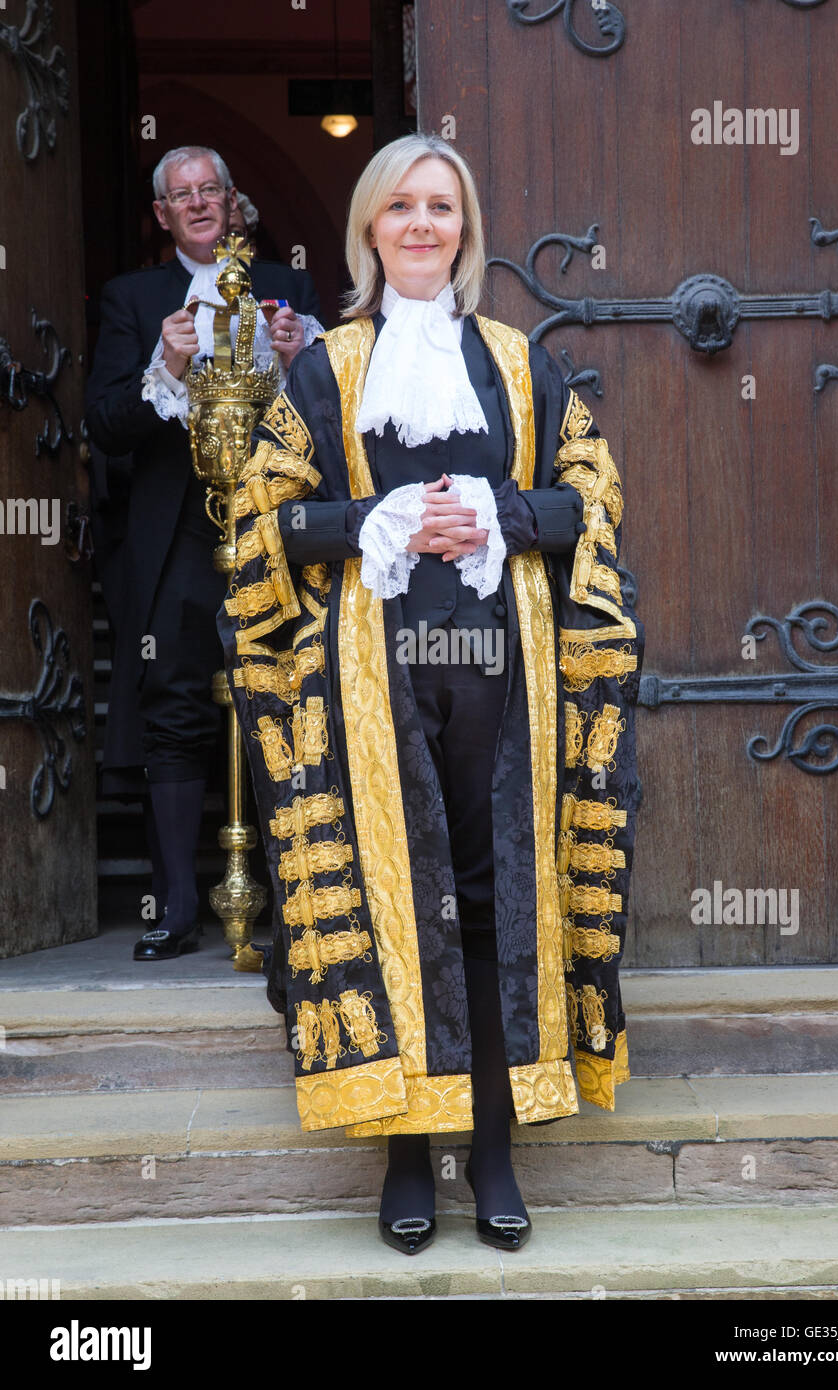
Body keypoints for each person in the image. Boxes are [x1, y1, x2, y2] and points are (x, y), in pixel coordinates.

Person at [217, 133, 644, 1253]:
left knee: (496, 894)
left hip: (507, 673)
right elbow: (265, 528)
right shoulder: (325, 370)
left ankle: (494, 1155)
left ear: (465, 230)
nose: (420, 225)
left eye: (440, 208)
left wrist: (502, 511)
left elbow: (590, 504)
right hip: (377, 683)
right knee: (399, 906)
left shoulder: (519, 362)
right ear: (369, 227)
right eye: (399, 206)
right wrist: (376, 522)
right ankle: (408, 1161)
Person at [84, 145, 323, 961]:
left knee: (288, 693)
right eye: (179, 195)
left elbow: (333, 418)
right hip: (177, 526)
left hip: (272, 519)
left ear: (230, 199)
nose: (196, 203)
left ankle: (299, 905)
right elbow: (106, 423)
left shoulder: (286, 291)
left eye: (208, 189)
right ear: (162, 215)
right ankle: (177, 907)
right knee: (177, 701)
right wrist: (171, 363)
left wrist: (300, 362)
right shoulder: (132, 298)